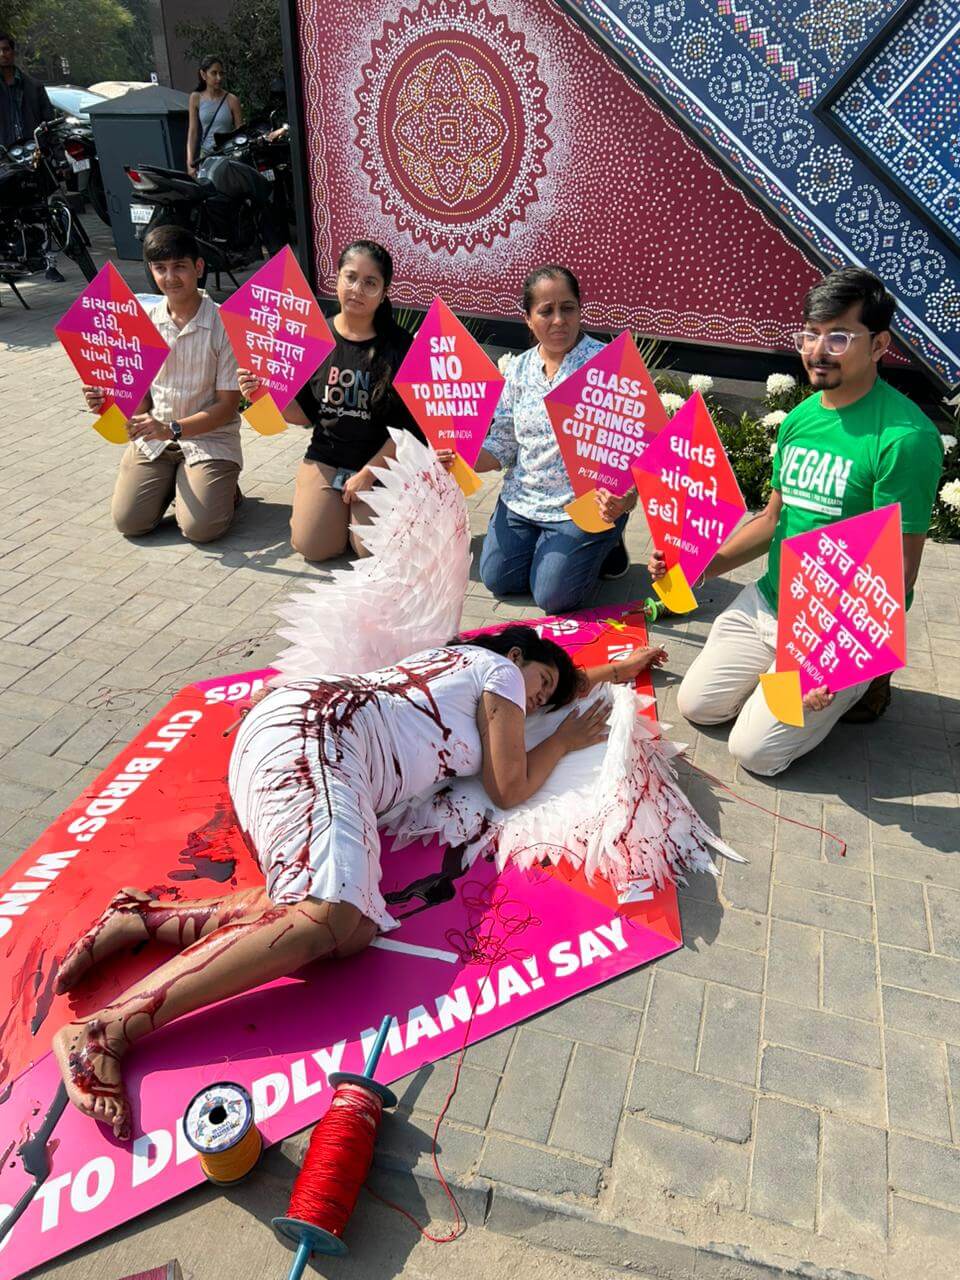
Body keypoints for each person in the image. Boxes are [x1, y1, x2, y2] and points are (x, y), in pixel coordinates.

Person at [51, 627, 668, 1138]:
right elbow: (509, 786)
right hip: (317, 745)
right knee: (327, 914)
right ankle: (102, 1031)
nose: (535, 704)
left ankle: (142, 920)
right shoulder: (499, 674)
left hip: (291, 730)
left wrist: (623, 667)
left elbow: (566, 678)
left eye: (543, 701)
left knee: (353, 929)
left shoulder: (462, 662)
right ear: (516, 657)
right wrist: (560, 742)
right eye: (540, 687)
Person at [649, 267, 944, 776]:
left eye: (837, 337)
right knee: (697, 707)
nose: (816, 350)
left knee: (755, 755)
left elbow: (898, 573)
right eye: (809, 334)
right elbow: (771, 519)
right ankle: (774, 676)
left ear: (878, 346)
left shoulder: (905, 438)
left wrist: (833, 659)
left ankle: (866, 680)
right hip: (770, 602)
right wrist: (698, 568)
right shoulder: (801, 419)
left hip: (833, 629)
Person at [459, 265, 636, 616]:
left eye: (568, 308)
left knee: (552, 599)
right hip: (522, 499)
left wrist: (625, 499)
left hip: (582, 505)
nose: (558, 320)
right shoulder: (520, 369)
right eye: (546, 310)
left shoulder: (608, 364)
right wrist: (462, 460)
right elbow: (505, 442)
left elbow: (637, 447)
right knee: (497, 579)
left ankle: (607, 542)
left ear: (580, 310)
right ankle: (552, 552)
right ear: (527, 318)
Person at [238, 239, 424, 562]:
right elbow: (304, 414)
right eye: (350, 277)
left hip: (380, 462)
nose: (357, 289)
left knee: (373, 551)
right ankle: (330, 510)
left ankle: (366, 514)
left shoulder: (401, 346)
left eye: (370, 283)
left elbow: (411, 428)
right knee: (313, 547)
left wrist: (369, 472)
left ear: (384, 291)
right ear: (336, 279)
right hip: (327, 456)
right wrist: (262, 394)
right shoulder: (314, 339)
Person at [82, 224, 243, 543]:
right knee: (130, 523)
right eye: (160, 269)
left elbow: (227, 407)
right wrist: (108, 402)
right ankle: (180, 482)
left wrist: (172, 429)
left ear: (198, 267)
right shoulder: (141, 322)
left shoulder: (225, 324)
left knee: (201, 530)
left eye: (179, 267)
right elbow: (141, 403)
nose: (170, 278)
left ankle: (221, 488)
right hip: (155, 439)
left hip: (209, 440)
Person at [0, 32, 62, 281]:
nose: (3, 54)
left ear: (13, 52)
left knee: (43, 209)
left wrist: (57, 154)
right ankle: (9, 260)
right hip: (5, 157)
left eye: (6, 49)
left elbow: (48, 121)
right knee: (6, 211)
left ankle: (51, 263)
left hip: (33, 154)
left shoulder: (33, 86)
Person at [186, 55, 242, 177]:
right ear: (203, 75)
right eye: (214, 73)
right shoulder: (195, 98)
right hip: (206, 156)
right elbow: (193, 132)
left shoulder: (232, 100)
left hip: (227, 155)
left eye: (221, 73)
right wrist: (190, 162)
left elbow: (240, 132)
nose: (219, 78)